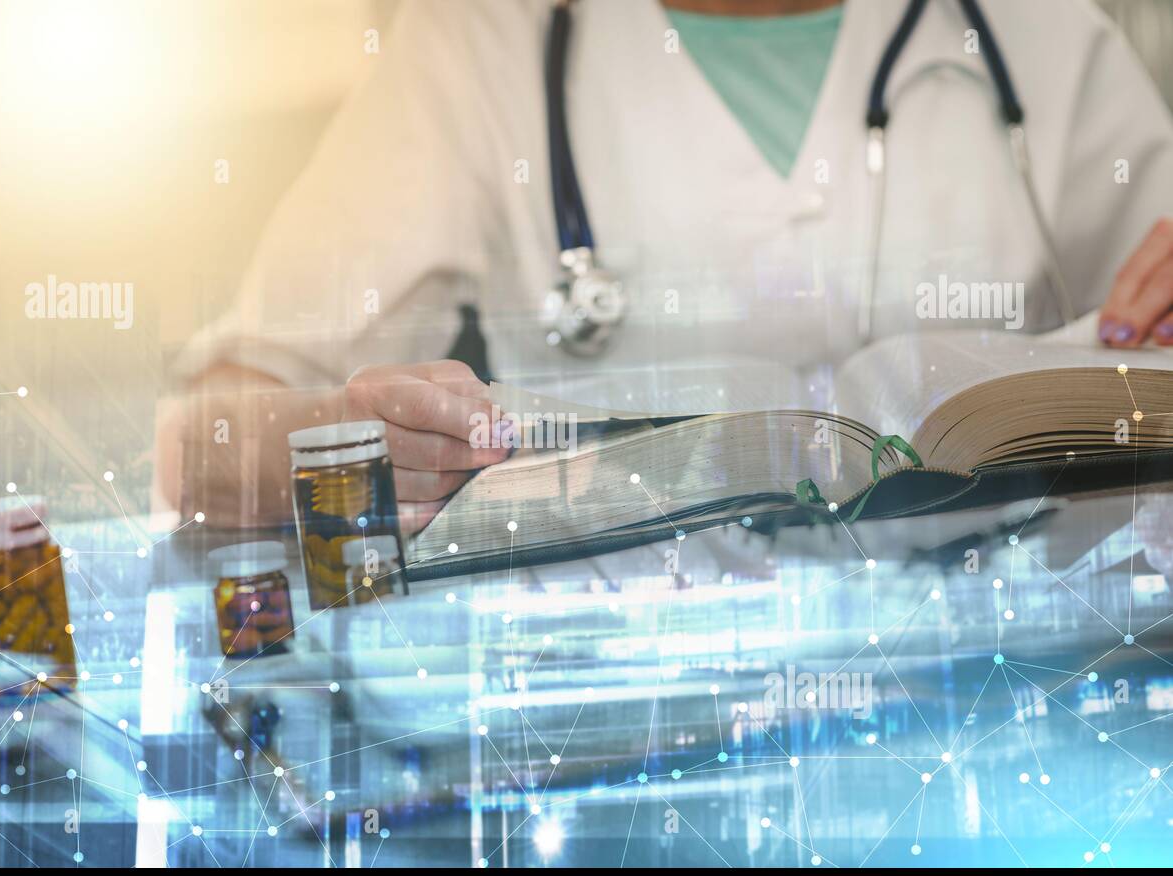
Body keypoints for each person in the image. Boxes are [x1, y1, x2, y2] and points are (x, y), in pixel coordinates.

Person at [164, 0, 1173, 533]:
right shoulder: (476, 41)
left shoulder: (1036, 28)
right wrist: (350, 449)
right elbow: (197, 444)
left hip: (1026, 684)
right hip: (625, 730)